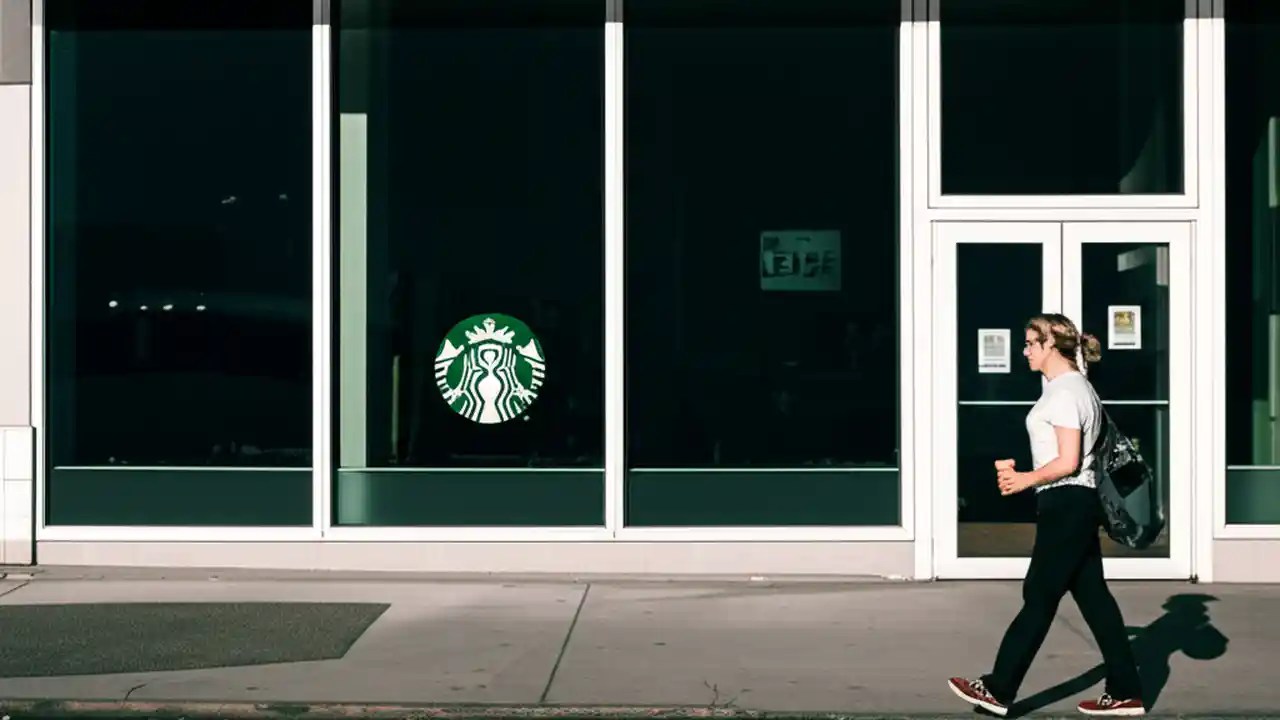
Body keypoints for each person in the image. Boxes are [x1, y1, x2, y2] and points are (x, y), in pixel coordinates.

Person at [948, 313, 1145, 717]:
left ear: (1051, 345)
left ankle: (998, 688)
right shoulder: (1068, 389)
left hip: (1068, 502)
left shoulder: (1068, 392)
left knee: (1038, 595)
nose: (1024, 352)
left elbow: (1069, 461)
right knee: (1095, 601)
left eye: (1030, 344)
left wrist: (1025, 479)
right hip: (1069, 502)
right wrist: (1027, 476)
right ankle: (1125, 691)